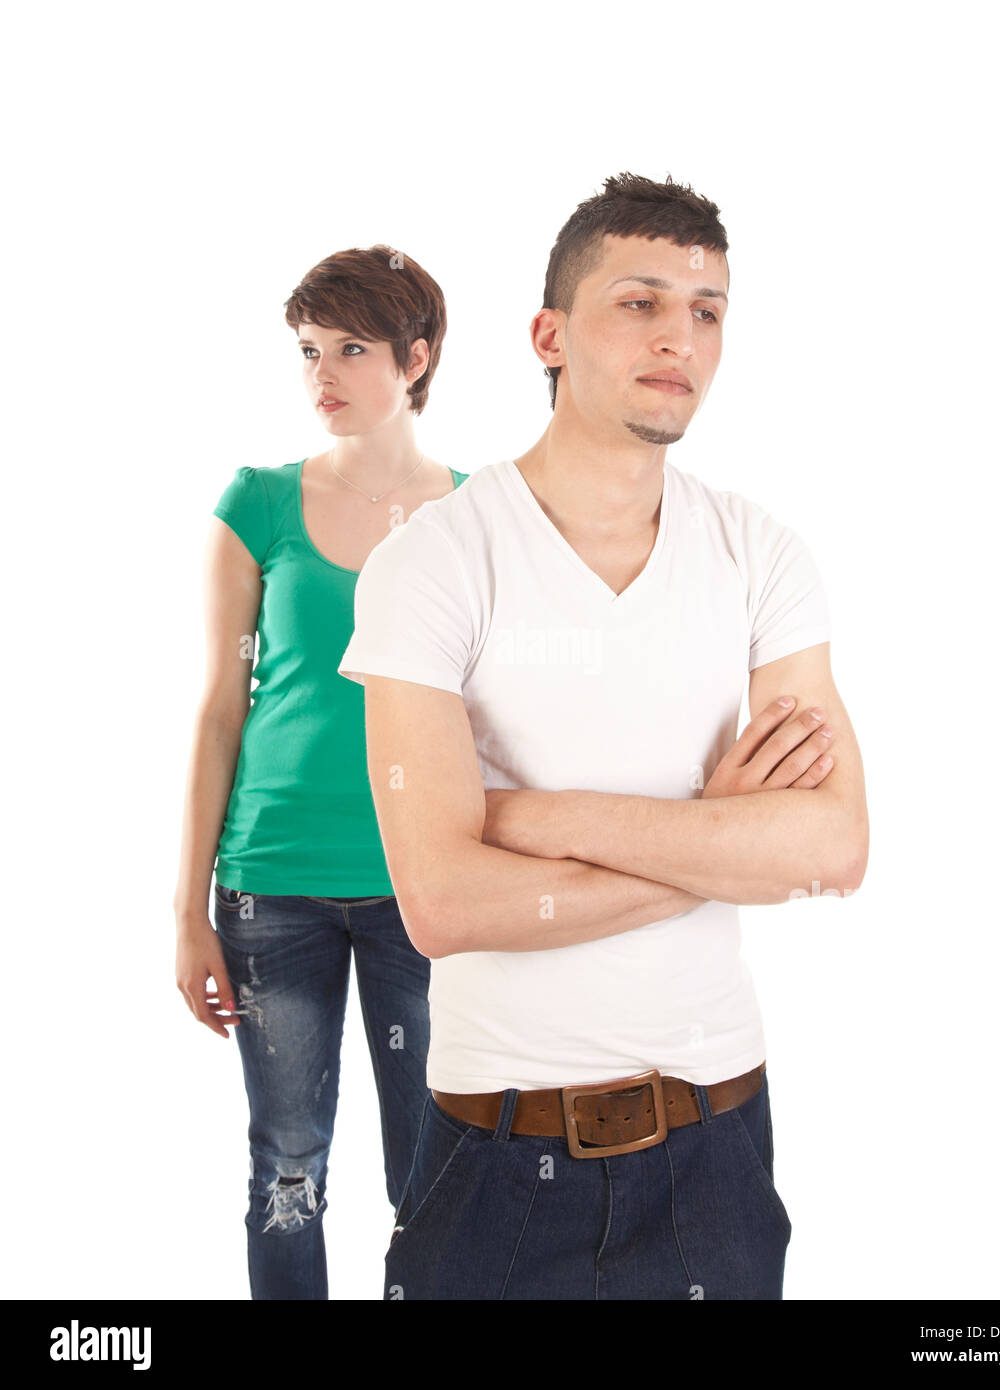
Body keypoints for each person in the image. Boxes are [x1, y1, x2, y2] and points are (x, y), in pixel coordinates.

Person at [338, 173, 870, 1300]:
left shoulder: (759, 554)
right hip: (496, 1151)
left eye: (707, 310)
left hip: (716, 1141)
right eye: (639, 302)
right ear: (550, 333)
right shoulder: (434, 562)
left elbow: (830, 848)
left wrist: (534, 819)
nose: (679, 334)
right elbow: (442, 904)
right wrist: (719, 837)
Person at [173, 245, 468, 1300]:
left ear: (416, 357)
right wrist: (187, 908)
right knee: (287, 1169)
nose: (322, 372)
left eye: (351, 347)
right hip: (271, 887)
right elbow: (218, 712)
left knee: (431, 1177)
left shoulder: (478, 516)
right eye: (308, 349)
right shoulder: (256, 503)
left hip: (421, 890)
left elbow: (498, 728)